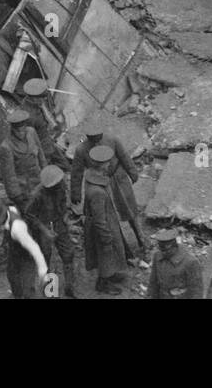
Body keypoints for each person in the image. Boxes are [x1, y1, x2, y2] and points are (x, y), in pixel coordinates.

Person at [69, 116, 144, 252]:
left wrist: (133, 173)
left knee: (129, 210)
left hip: (118, 178)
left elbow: (124, 157)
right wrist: (75, 192)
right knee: (109, 216)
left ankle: (141, 239)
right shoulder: (81, 149)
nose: (95, 139)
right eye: (92, 137)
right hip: (99, 183)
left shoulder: (112, 140)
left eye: (97, 136)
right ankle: (121, 248)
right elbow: (76, 172)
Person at [81, 143, 129, 295]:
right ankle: (103, 282)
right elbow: (99, 220)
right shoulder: (97, 192)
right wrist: (106, 236)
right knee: (105, 253)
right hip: (103, 226)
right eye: (107, 162)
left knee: (110, 253)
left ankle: (111, 274)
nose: (109, 164)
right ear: (102, 165)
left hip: (107, 220)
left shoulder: (92, 176)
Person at [0, 193, 50, 300]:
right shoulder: (9, 209)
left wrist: (43, 270)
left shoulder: (17, 229)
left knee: (28, 289)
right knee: (12, 276)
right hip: (15, 252)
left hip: (27, 257)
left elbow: (34, 249)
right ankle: (17, 295)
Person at [26, 163, 76, 298]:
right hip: (45, 227)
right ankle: (51, 292)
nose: (61, 184)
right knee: (48, 259)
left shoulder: (61, 187)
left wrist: (65, 217)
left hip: (59, 224)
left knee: (68, 254)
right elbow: (30, 215)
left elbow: (64, 203)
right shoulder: (37, 195)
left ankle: (69, 288)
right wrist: (44, 230)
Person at [20, 78, 67, 168]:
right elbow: (30, 140)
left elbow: (49, 119)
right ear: (33, 98)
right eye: (42, 97)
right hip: (43, 148)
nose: (44, 99)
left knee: (66, 166)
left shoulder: (38, 103)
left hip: (49, 141)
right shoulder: (29, 115)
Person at [148, 227, 203, 299]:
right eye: (161, 250)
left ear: (175, 247)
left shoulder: (190, 262)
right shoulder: (157, 256)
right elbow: (153, 281)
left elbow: (196, 290)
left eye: (166, 250)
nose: (163, 253)